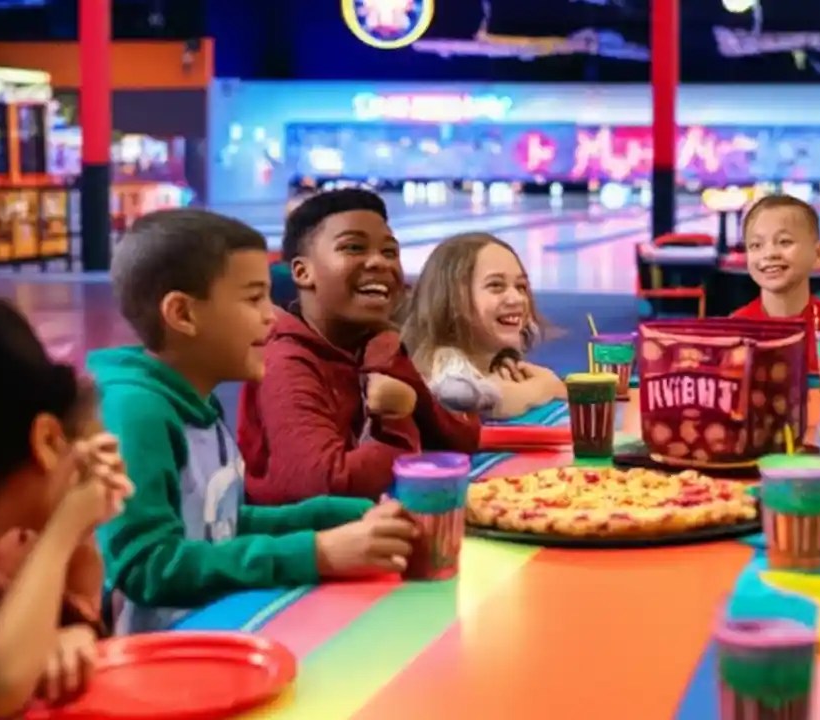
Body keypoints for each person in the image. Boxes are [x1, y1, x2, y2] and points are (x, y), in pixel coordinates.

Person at [90, 208, 420, 635]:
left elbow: (218, 527)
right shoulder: (136, 413)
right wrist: (317, 552)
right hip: (152, 659)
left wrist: (347, 515)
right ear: (183, 314)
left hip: (218, 631)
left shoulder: (194, 400)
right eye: (253, 298)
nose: (273, 316)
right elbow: (147, 566)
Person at [0, 288, 133, 718]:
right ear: (49, 440)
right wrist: (65, 529)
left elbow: (22, 646)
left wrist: (69, 636)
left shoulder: (2, 542)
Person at [237, 189, 480, 505]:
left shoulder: (375, 344)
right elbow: (324, 487)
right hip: (301, 545)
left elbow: (460, 443)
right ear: (302, 272)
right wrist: (397, 423)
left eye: (390, 252)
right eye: (353, 247)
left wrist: (410, 395)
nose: (379, 262)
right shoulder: (285, 361)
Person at [400, 232, 565, 419]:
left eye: (521, 286)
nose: (516, 298)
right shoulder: (444, 367)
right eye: (496, 286)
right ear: (453, 299)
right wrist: (546, 387)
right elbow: (494, 405)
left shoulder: (504, 367)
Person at [730, 194, 820, 375]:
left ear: (819, 254)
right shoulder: (734, 330)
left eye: (784, 242)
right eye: (756, 245)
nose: (770, 254)